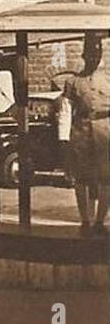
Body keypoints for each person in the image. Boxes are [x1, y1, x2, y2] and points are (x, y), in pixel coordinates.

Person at [63, 34, 110, 236]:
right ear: (84, 54)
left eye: (97, 53)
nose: (94, 57)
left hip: (105, 131)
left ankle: (100, 220)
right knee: (81, 178)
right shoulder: (73, 82)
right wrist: (63, 138)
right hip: (81, 132)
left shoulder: (108, 79)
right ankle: (85, 220)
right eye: (90, 53)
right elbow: (65, 111)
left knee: (106, 178)